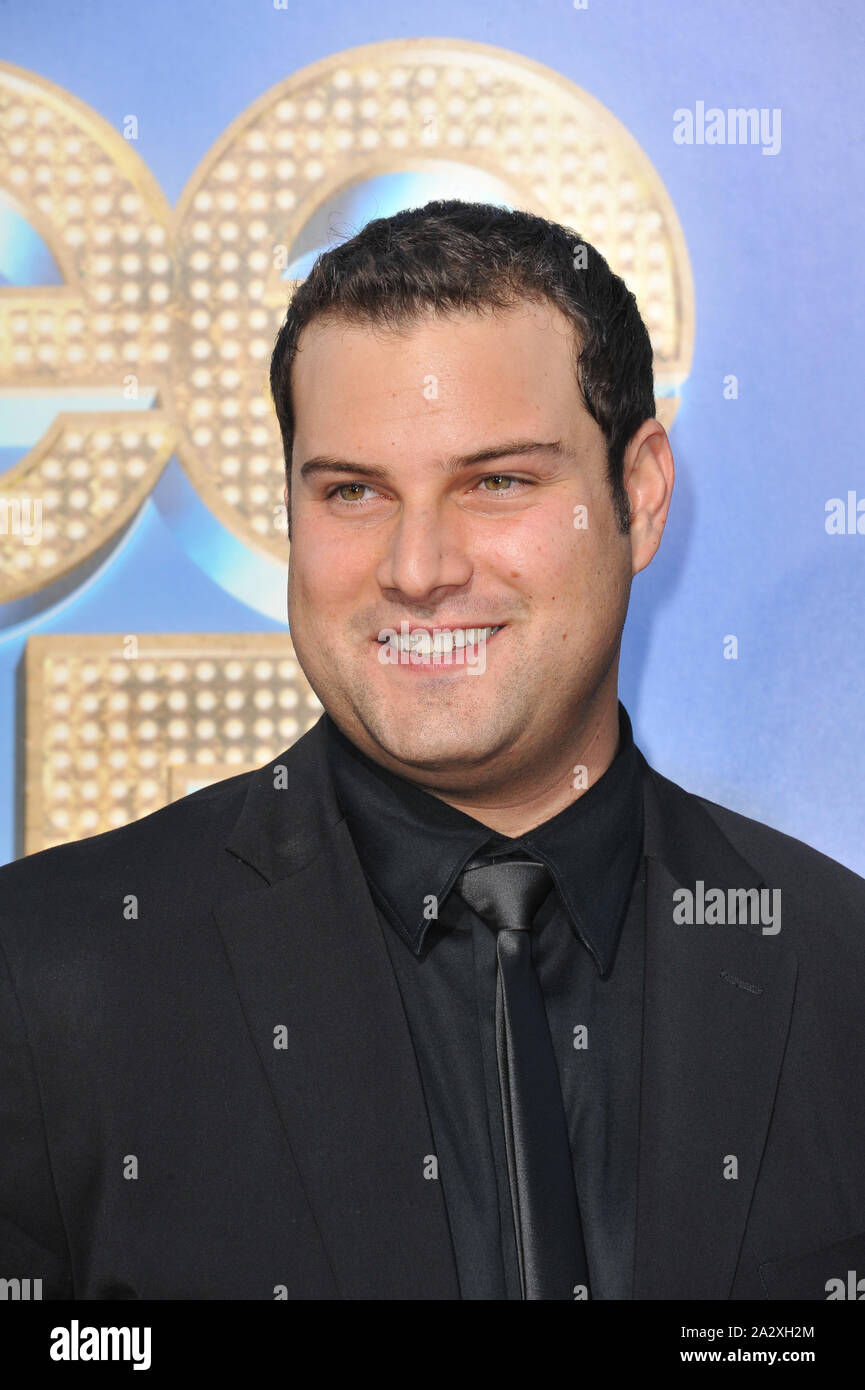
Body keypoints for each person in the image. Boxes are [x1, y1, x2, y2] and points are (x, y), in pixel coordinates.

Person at [1, 200, 863, 1301]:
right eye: (353, 491)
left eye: (496, 481)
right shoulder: (38, 980)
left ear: (638, 497)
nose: (416, 567)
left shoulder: (841, 973)